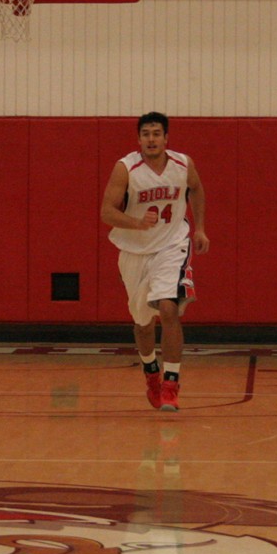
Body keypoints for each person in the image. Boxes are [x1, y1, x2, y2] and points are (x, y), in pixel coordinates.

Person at [100, 112, 210, 412]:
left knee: (168, 308)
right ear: (139, 139)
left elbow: (197, 188)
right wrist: (137, 223)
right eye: (146, 134)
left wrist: (199, 228)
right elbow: (107, 212)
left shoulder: (183, 164)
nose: (151, 139)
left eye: (156, 133)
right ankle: (151, 373)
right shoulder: (126, 168)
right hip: (134, 251)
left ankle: (171, 383)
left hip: (172, 245)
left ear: (166, 138)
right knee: (142, 322)